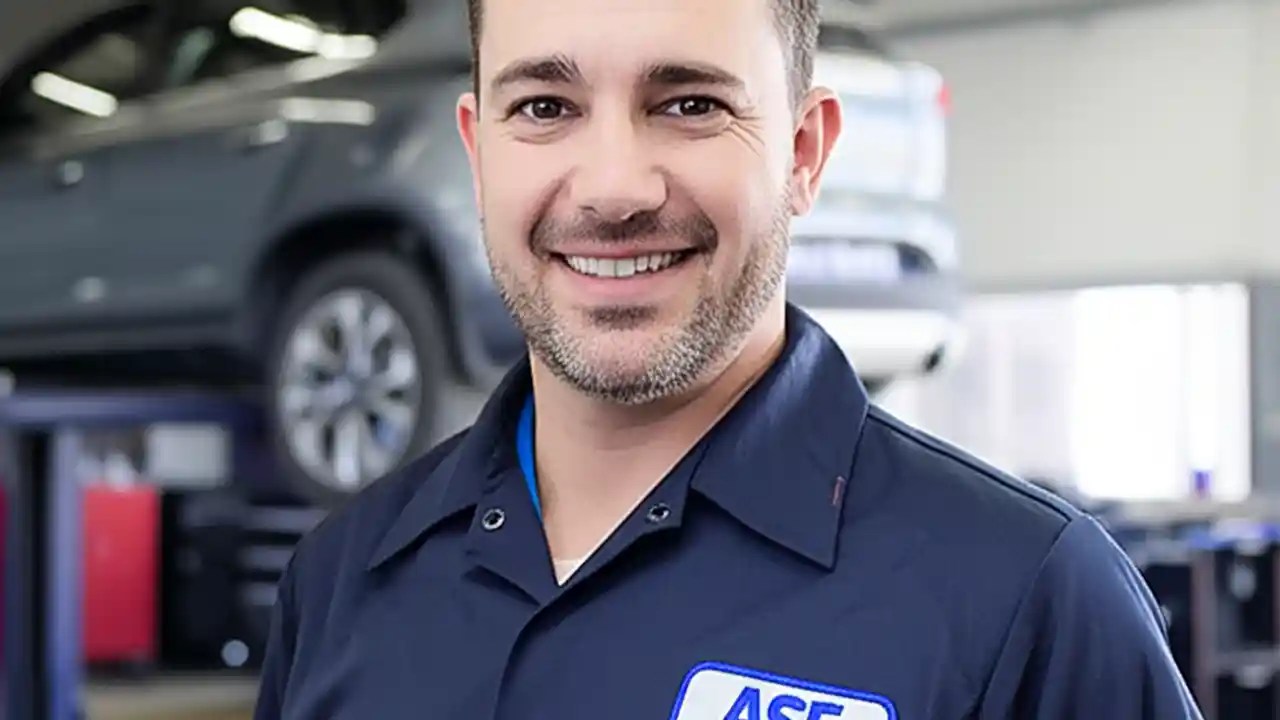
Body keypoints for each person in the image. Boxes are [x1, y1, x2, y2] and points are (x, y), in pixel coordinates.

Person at [253, 0, 1204, 717]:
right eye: (545, 106)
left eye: (690, 104)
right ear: (478, 152)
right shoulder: (342, 585)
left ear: (803, 152)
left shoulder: (1027, 598)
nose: (615, 188)